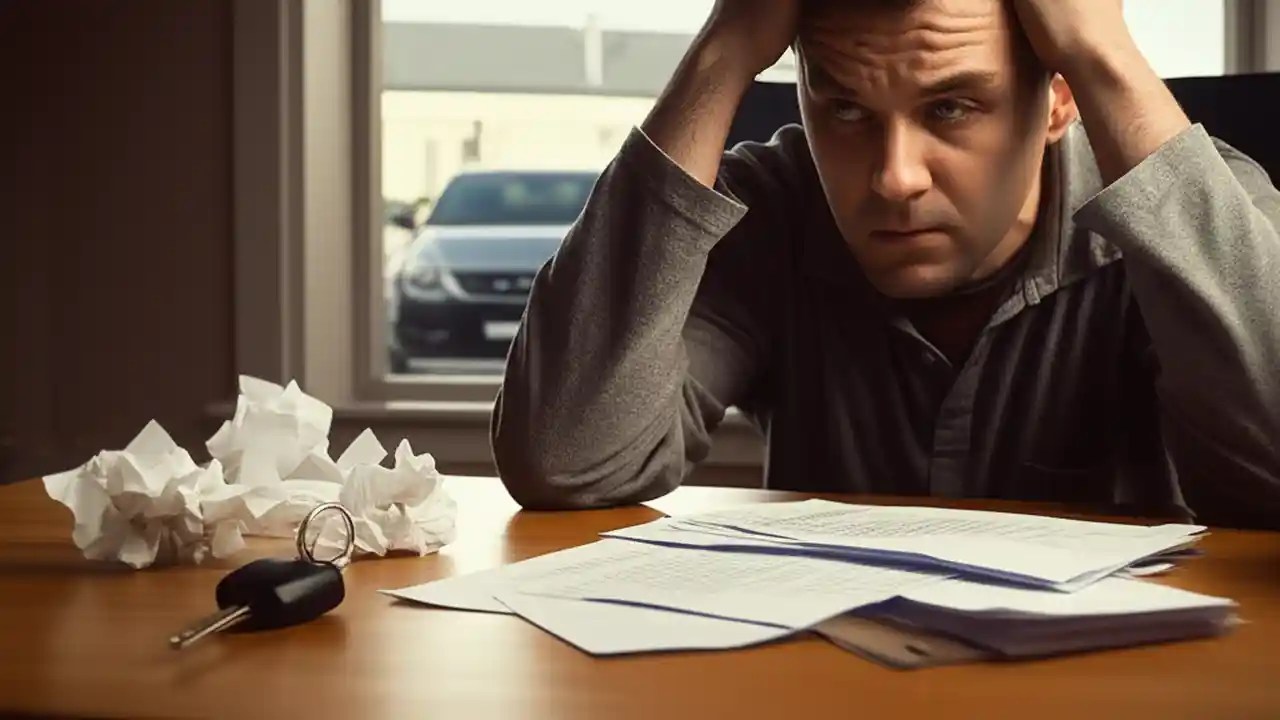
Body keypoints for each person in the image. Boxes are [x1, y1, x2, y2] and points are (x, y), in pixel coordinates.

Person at [491, 0, 1280, 528]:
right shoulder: (770, 216)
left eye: (950, 107)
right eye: (845, 110)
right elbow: (569, 462)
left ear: (1060, 99)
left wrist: (1103, 52)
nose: (894, 177)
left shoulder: (1193, 214)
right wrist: (726, 45)